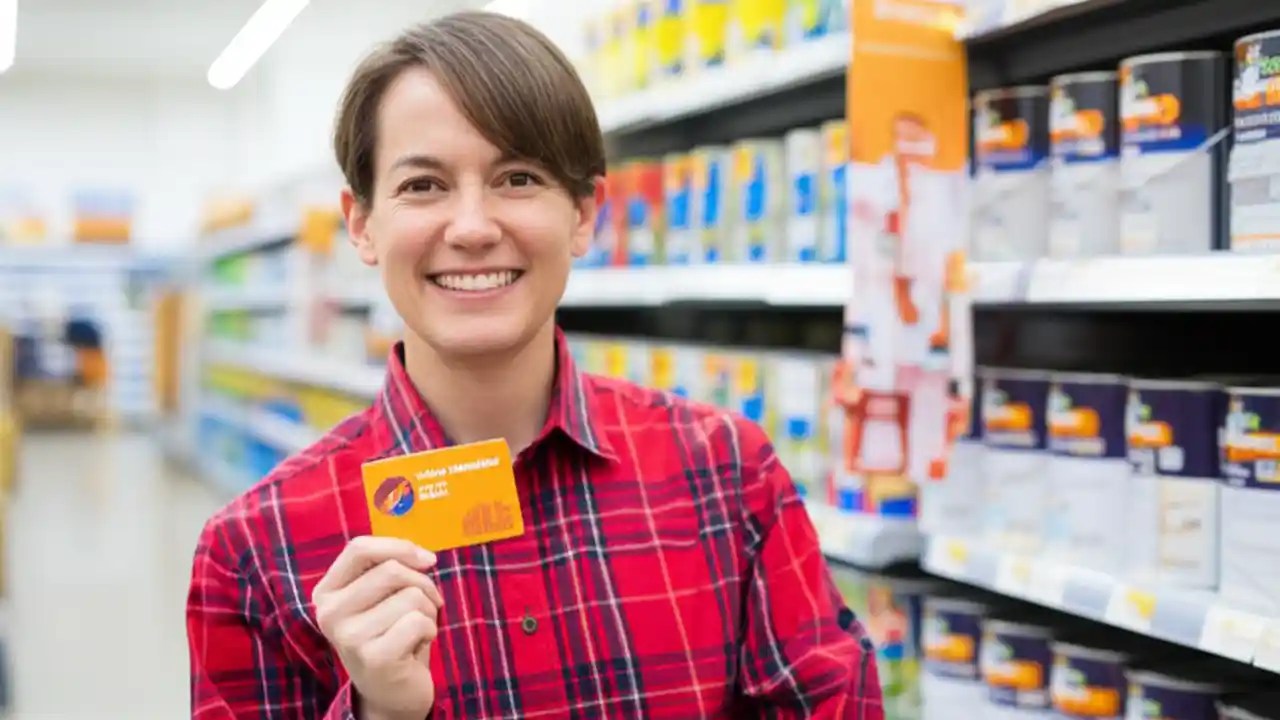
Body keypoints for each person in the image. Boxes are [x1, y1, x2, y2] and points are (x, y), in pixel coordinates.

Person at [186, 10, 881, 719]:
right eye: (423, 186)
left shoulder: (728, 475)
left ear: (584, 215)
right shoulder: (253, 551)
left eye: (517, 178)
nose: (473, 228)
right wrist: (378, 712)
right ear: (362, 224)